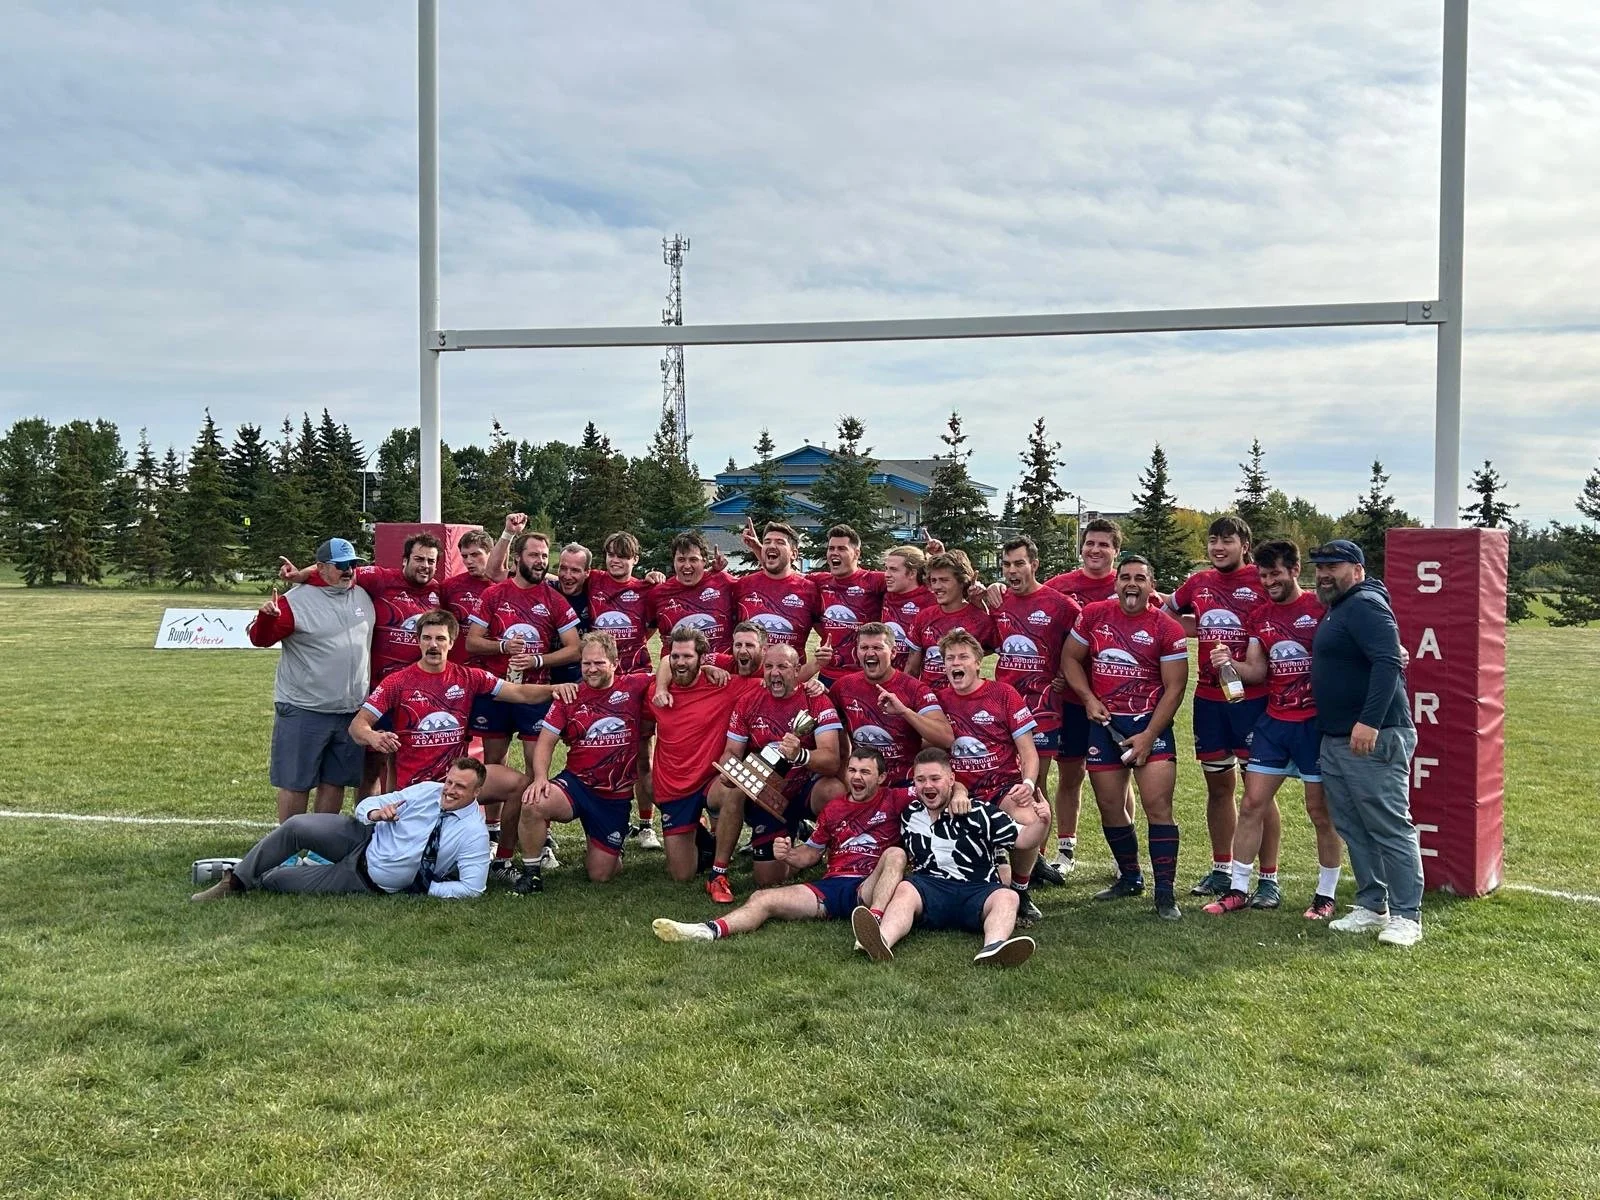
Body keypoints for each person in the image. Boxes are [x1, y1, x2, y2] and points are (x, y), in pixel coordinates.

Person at [1202, 540, 1345, 919]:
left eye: (1276, 574)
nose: (1268, 582)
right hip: (1275, 723)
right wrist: (1227, 663)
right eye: (1264, 575)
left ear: (1295, 570)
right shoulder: (1260, 615)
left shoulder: (1322, 607)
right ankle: (1237, 889)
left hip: (1314, 726)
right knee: (1252, 804)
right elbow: (1256, 671)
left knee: (1319, 812)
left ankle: (1325, 895)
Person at [651, 745, 910, 944]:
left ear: (881, 778)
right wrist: (787, 855)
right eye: (852, 770)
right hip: (832, 886)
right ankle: (707, 931)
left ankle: (873, 927)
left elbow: (930, 785)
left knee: (896, 854)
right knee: (762, 898)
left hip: (869, 886)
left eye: (865, 772)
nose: (856, 777)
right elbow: (811, 854)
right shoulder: (834, 809)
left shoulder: (895, 798)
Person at [1308, 539, 1423, 947]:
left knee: (1388, 825)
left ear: (1357, 570)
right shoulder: (1339, 605)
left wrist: (1369, 722)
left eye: (1334, 566)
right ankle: (1372, 905)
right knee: (1353, 826)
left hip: (1373, 736)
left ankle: (1407, 915)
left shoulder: (1365, 604)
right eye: (1320, 567)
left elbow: (1388, 661)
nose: (1324, 574)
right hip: (1338, 737)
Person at [1064, 554, 1191, 921]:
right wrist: (1088, 699)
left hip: (1149, 726)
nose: (1131, 584)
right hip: (1104, 726)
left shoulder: (1166, 627)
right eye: (1125, 577)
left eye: (1139, 578)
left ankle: (1165, 894)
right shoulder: (1094, 616)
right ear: (1116, 583)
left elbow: (1175, 687)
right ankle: (1130, 877)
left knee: (1157, 806)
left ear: (1151, 586)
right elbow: (1070, 659)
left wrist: (1150, 734)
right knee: (1109, 805)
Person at [851, 748, 1050, 967]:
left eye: (935, 779)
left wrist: (1043, 823)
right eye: (920, 780)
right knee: (905, 889)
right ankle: (881, 940)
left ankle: (993, 948)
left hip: (977, 889)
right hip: (930, 888)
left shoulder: (979, 812)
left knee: (1008, 897)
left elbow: (1023, 839)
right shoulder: (910, 814)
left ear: (951, 780)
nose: (928, 785)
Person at [190, 757, 493, 900]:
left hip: (364, 879)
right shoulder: (428, 790)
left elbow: (472, 888)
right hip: (362, 837)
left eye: (460, 787)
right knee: (296, 826)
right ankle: (234, 882)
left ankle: (244, 868)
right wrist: (375, 812)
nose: (449, 790)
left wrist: (425, 887)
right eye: (449, 782)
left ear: (476, 792)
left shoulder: (473, 834)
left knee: (276, 881)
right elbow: (366, 806)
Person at [1165, 516, 1271, 897]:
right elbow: (1168, 612)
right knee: (1219, 788)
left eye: (1227, 540)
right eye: (1213, 540)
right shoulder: (1199, 582)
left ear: (1245, 545)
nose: (1219, 547)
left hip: (1252, 700)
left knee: (1259, 792)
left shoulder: (1261, 579)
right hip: (1210, 700)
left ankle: (1269, 879)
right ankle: (1222, 869)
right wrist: (1196, 628)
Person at [348, 610, 558, 801]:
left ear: (451, 643)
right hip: (414, 791)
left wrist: (557, 689)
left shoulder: (469, 677)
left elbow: (520, 692)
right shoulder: (397, 682)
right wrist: (373, 737)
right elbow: (357, 726)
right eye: (427, 638)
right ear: (418, 641)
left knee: (519, 784)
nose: (433, 645)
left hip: (456, 786)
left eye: (440, 639)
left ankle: (496, 833)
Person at [463, 530, 581, 870]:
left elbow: (575, 648)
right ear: (518, 558)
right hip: (496, 693)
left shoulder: (553, 598)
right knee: (492, 763)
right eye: (534, 555)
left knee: (536, 767)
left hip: (535, 694)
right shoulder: (494, 593)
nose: (540, 561)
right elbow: (472, 642)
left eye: (544, 556)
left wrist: (539, 660)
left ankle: (539, 836)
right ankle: (491, 832)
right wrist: (502, 646)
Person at [512, 631, 654, 893]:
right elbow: (545, 742)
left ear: (615, 663)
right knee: (533, 802)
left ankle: (607, 842)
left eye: (599, 662)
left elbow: (669, 670)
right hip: (577, 785)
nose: (591, 669)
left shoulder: (634, 685)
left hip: (614, 796)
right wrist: (541, 778)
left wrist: (709, 669)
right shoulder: (571, 695)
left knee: (601, 874)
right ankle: (531, 874)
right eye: (586, 663)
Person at [247, 536, 376, 822]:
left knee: (335, 781)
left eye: (352, 564)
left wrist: (300, 573)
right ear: (321, 567)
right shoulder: (295, 602)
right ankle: (291, 842)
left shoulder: (362, 593)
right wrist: (266, 618)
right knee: (296, 782)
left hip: (350, 711)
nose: (349, 571)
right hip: (305, 708)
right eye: (340, 565)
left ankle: (320, 842)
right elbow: (260, 639)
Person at [704, 643, 845, 901]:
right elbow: (731, 751)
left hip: (804, 787)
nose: (774, 673)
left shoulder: (816, 700)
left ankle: (836, 857)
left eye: (782, 666)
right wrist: (730, 769)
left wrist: (800, 755)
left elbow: (832, 760)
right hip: (766, 795)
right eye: (769, 666)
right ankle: (718, 874)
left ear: (797, 670)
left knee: (834, 790)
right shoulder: (749, 701)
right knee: (767, 879)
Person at [935, 630, 1045, 926]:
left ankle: (1020, 890)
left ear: (977, 662)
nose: (955, 663)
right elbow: (934, 757)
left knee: (1030, 819)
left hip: (1002, 785)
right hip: (958, 790)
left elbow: (1029, 752)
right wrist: (955, 790)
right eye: (949, 658)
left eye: (963, 657)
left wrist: (1028, 784)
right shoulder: (938, 701)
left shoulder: (1003, 694)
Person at [1041, 518, 1124, 875]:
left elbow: (1159, 613)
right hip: (1071, 701)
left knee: (1117, 779)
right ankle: (1065, 850)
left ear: (1116, 551)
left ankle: (1124, 857)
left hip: (1116, 701)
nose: (1095, 550)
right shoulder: (1060, 586)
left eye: (1104, 544)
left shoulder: (1127, 584)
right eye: (1090, 543)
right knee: (1070, 775)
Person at [983, 535, 1082, 822]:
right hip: (1004, 707)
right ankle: (1012, 842)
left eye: (1019, 564)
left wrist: (1066, 674)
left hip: (1043, 708)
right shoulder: (999, 602)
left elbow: (1085, 646)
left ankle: (1037, 847)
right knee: (1005, 779)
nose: (1012, 571)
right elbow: (987, 643)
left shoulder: (1061, 605)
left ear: (1034, 565)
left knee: (1034, 782)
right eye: (1006, 565)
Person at [580, 531, 665, 847]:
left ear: (635, 560)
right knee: (604, 747)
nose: (616, 560)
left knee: (642, 754)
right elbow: (565, 575)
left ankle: (646, 825)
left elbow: (652, 624)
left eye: (623, 556)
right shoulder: (594, 580)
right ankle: (609, 818)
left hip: (636, 678)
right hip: (601, 681)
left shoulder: (645, 589)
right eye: (611, 554)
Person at [646, 628, 746, 882]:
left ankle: (719, 869)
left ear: (702, 658)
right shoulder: (655, 693)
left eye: (688, 656)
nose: (680, 662)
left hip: (711, 781)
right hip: (675, 788)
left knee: (734, 787)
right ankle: (704, 840)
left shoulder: (722, 685)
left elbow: (772, 680)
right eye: (675, 656)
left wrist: (813, 680)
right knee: (682, 876)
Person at [829, 622, 952, 788]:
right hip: (862, 782)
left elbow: (946, 738)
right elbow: (828, 732)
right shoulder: (843, 687)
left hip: (904, 783)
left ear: (893, 652)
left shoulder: (914, 688)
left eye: (877, 648)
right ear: (856, 652)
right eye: (864, 648)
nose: (870, 653)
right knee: (829, 790)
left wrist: (905, 712)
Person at [438, 516, 521, 670]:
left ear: (491, 553)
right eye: (464, 556)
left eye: (475, 555)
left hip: (496, 669)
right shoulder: (450, 586)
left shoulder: (508, 585)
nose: (469, 561)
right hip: (460, 668)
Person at [905, 550, 996, 691]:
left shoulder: (980, 619)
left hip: (963, 700)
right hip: (929, 700)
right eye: (934, 581)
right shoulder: (924, 617)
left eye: (944, 580)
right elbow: (912, 669)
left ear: (962, 582)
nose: (937, 587)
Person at [732, 521, 820, 655]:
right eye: (767, 542)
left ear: (794, 554)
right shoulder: (742, 585)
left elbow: (828, 634)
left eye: (780, 542)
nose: (772, 545)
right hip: (748, 668)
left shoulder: (809, 589)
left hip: (792, 668)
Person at [644, 530, 736, 655]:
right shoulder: (658, 593)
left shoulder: (724, 582)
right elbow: (641, 636)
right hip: (677, 666)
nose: (687, 565)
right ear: (674, 561)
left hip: (721, 665)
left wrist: (757, 549)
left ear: (704, 561)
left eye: (693, 559)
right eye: (681, 559)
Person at [881, 545, 935, 673]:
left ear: (912, 573)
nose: (886, 575)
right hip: (885, 677)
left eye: (893, 569)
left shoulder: (932, 600)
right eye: (886, 569)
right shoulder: (884, 595)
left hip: (917, 679)